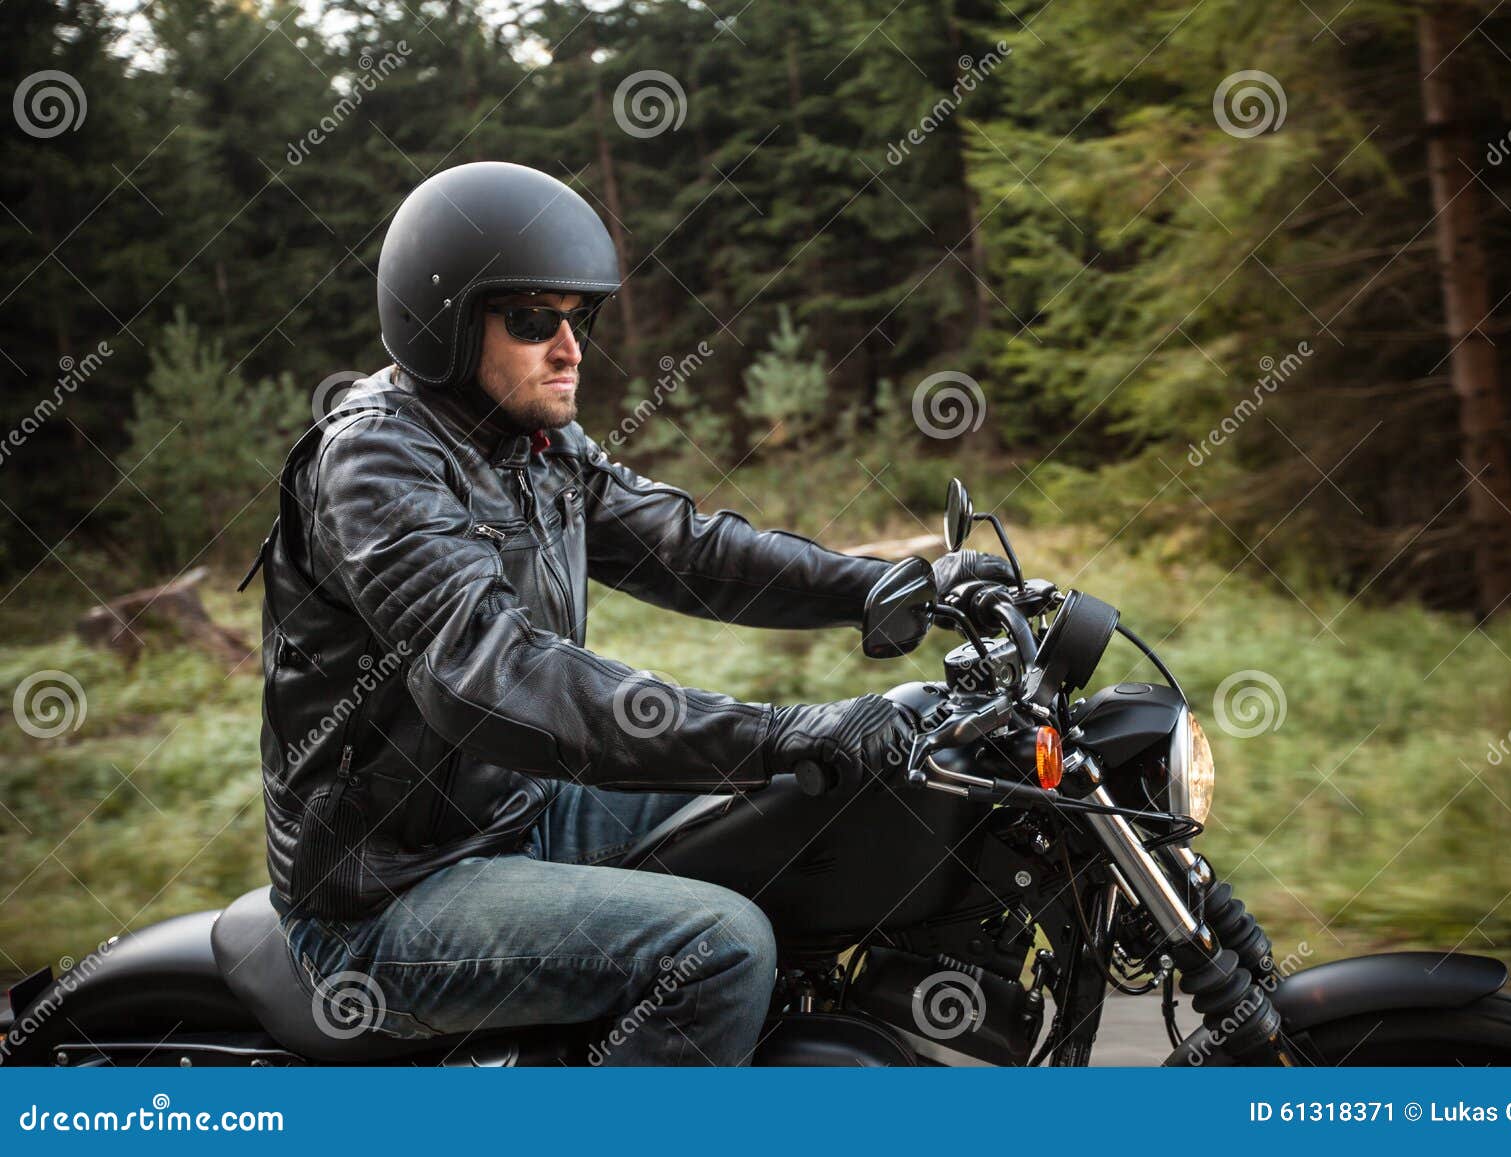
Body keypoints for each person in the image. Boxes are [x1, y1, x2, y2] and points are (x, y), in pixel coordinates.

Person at [245, 161, 1013, 1065]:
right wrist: (781, 729)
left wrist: (889, 583)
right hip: (388, 893)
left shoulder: (535, 444)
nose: (570, 348)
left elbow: (689, 548)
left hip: (515, 807)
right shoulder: (375, 460)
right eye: (534, 321)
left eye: (581, 319)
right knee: (719, 945)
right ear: (441, 322)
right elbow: (494, 679)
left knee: (885, 771)